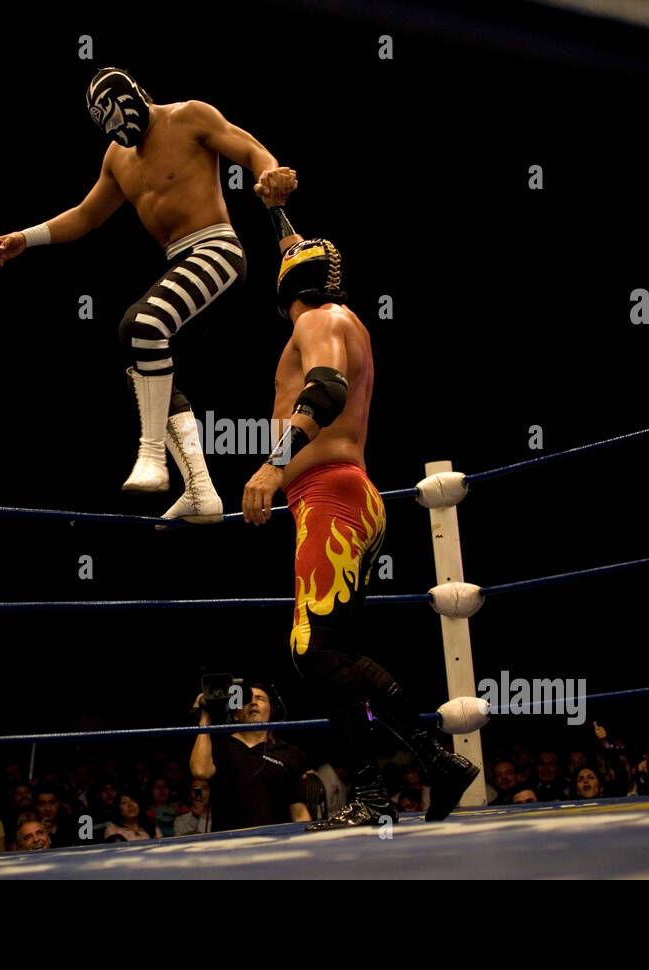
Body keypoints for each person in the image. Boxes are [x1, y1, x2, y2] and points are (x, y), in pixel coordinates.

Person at [239, 194, 479, 829]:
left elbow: (327, 388)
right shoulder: (340, 315)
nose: (281, 254)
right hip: (347, 496)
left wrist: (270, 464)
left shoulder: (318, 320)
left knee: (310, 647)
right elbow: (298, 249)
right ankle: (428, 768)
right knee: (334, 651)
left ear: (294, 277)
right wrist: (272, 208)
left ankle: (384, 789)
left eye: (287, 255)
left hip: (330, 497)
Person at [0, 67, 296, 520]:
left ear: (136, 97)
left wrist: (269, 174)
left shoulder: (188, 116)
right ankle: (200, 491)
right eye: (108, 124)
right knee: (142, 361)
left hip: (218, 250)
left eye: (121, 116)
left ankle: (151, 453)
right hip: (180, 261)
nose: (119, 130)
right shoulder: (117, 158)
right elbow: (87, 215)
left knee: (142, 323)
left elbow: (249, 148)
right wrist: (25, 237)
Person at [189, 683, 311, 830]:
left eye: (260, 699)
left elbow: (298, 811)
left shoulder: (289, 753)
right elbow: (200, 771)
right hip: (228, 843)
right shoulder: (219, 746)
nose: (253, 702)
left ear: (271, 710)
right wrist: (204, 717)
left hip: (276, 843)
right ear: (236, 714)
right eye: (246, 699)